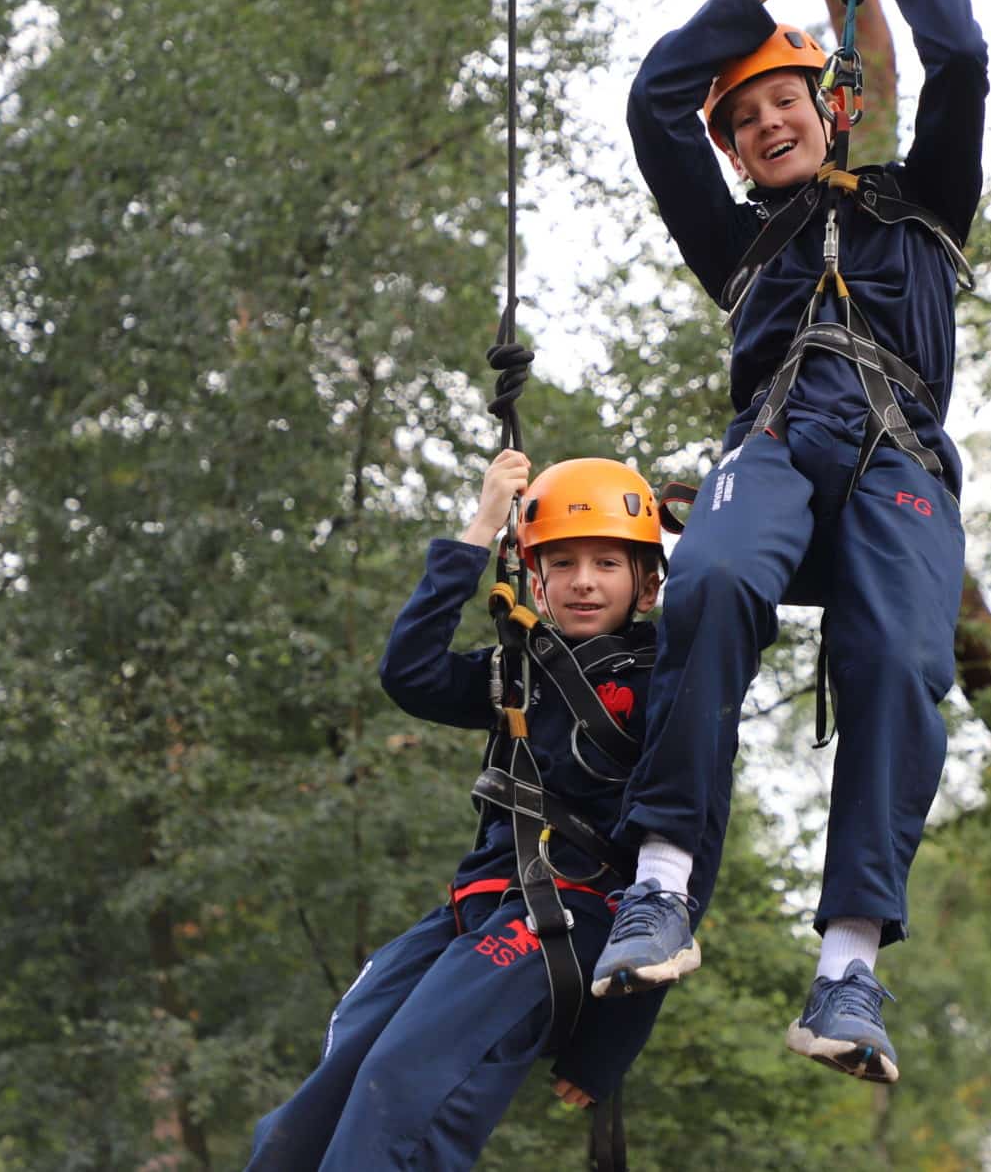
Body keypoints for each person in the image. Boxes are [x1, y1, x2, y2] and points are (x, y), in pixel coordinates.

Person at [591, 0, 987, 1087]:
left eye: (784, 103)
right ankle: (660, 887)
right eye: (743, 119)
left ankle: (849, 965)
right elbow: (654, 99)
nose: (767, 124)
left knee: (902, 662)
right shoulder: (734, 242)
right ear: (732, 149)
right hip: (770, 446)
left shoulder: (920, 204)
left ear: (828, 106)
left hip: (896, 462)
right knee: (703, 579)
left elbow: (963, 57)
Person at [242, 450, 670, 1170]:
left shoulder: (666, 684)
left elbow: (684, 860)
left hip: (568, 912)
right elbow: (409, 672)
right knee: (317, 1104)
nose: (584, 581)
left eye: (607, 562)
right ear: (535, 578)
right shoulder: (520, 667)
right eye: (562, 564)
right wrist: (479, 530)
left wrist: (610, 1044)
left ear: (647, 584)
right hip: (471, 909)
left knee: (402, 1090)